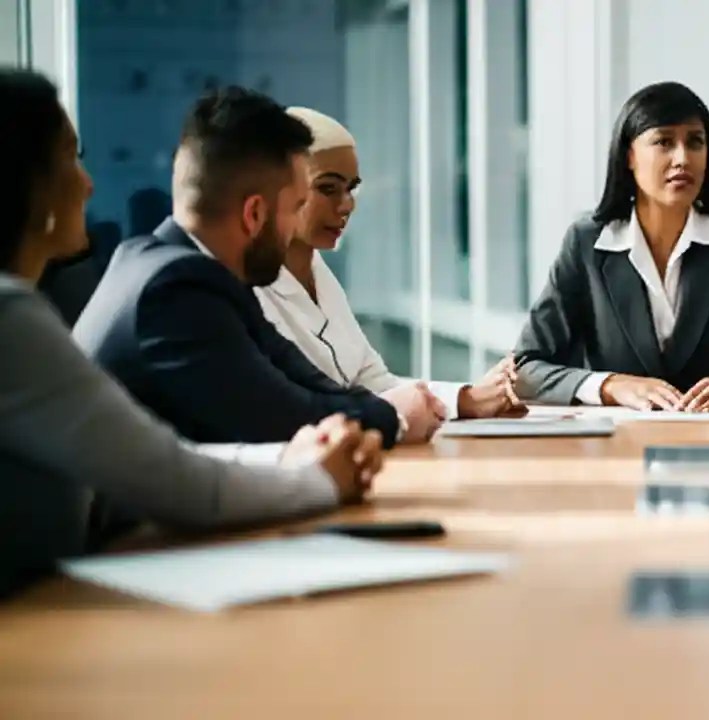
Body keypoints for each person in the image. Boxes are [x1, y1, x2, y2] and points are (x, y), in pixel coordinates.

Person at [0, 69, 383, 596]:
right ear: (23, 184)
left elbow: (140, 467)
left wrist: (284, 460)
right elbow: (171, 479)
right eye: (69, 158)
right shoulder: (10, 318)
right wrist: (318, 478)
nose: (88, 183)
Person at [73, 86, 442, 448]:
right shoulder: (175, 292)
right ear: (254, 214)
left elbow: (300, 377)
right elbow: (283, 416)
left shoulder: (193, 271)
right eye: (297, 207)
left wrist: (386, 407)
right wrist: (395, 418)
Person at [514, 81, 709, 411]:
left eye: (695, 142)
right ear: (629, 157)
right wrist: (611, 386)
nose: (682, 158)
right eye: (663, 142)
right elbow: (524, 370)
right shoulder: (586, 244)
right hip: (616, 447)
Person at [254, 107, 523, 420]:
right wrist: (465, 400)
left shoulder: (319, 275)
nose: (347, 205)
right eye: (327, 188)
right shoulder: (247, 287)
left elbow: (375, 383)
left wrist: (467, 397)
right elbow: (303, 404)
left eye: (351, 188)